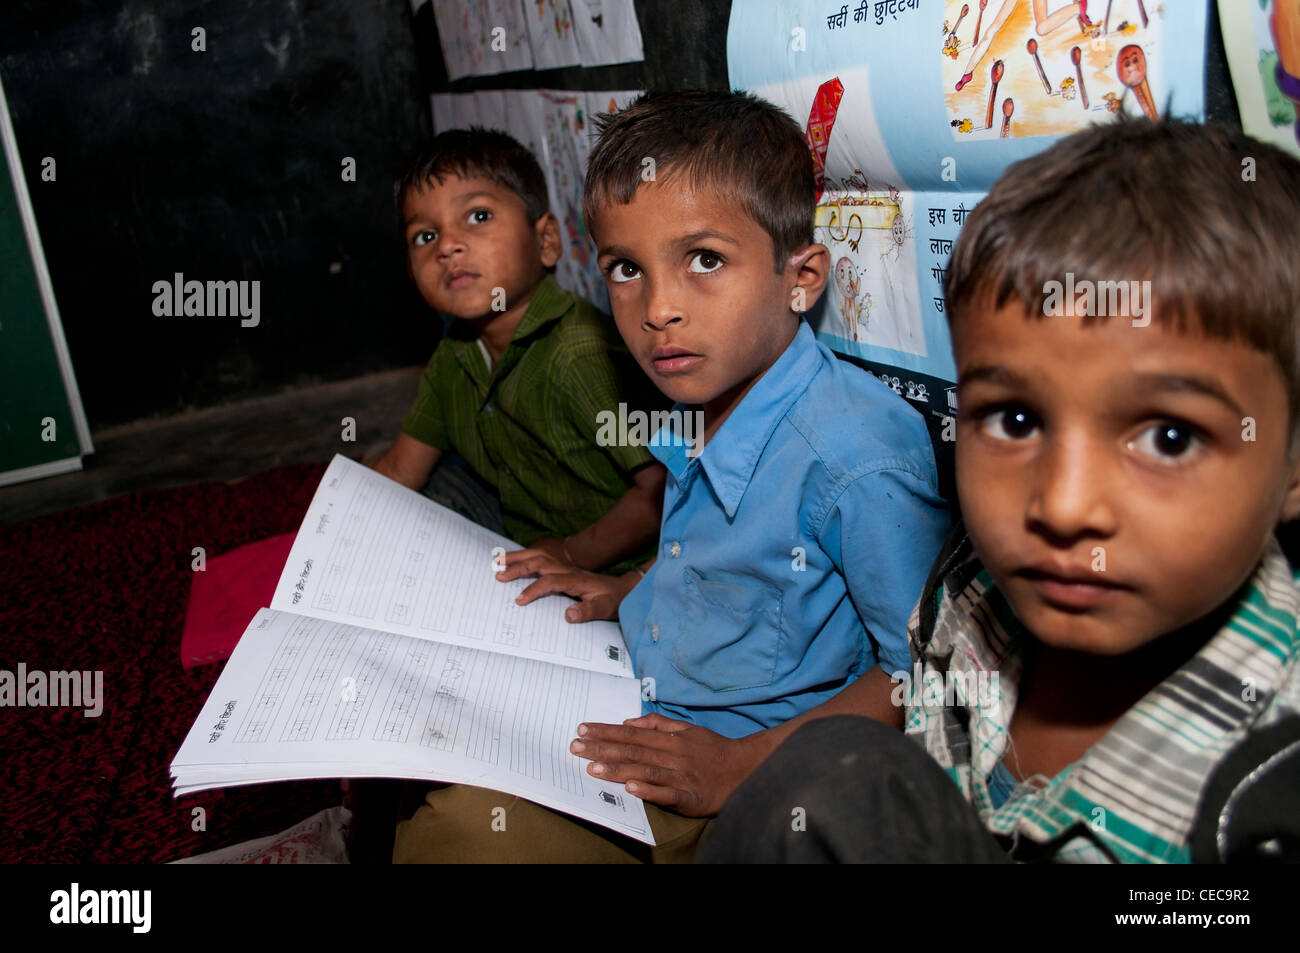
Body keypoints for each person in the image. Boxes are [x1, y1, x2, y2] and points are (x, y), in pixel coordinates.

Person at [698, 118, 1300, 864]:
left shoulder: (1268, 798)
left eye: (1168, 438)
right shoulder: (966, 596)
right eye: (1015, 419)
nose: (1062, 504)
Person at [393, 91, 951, 862]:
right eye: (626, 269)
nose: (658, 309)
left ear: (802, 277)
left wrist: (733, 768)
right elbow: (731, 566)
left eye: (706, 260)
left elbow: (919, 674)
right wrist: (628, 591)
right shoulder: (698, 397)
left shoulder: (854, 453)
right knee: (428, 762)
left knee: (460, 839)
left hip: (756, 774)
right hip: (640, 699)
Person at [369, 128, 664, 575]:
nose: (447, 246)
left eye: (478, 215)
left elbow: (659, 492)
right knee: (411, 503)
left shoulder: (580, 355)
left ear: (546, 241)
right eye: (425, 237)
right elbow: (400, 470)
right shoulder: (454, 355)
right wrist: (332, 523)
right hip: (518, 529)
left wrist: (567, 556)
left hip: (620, 567)